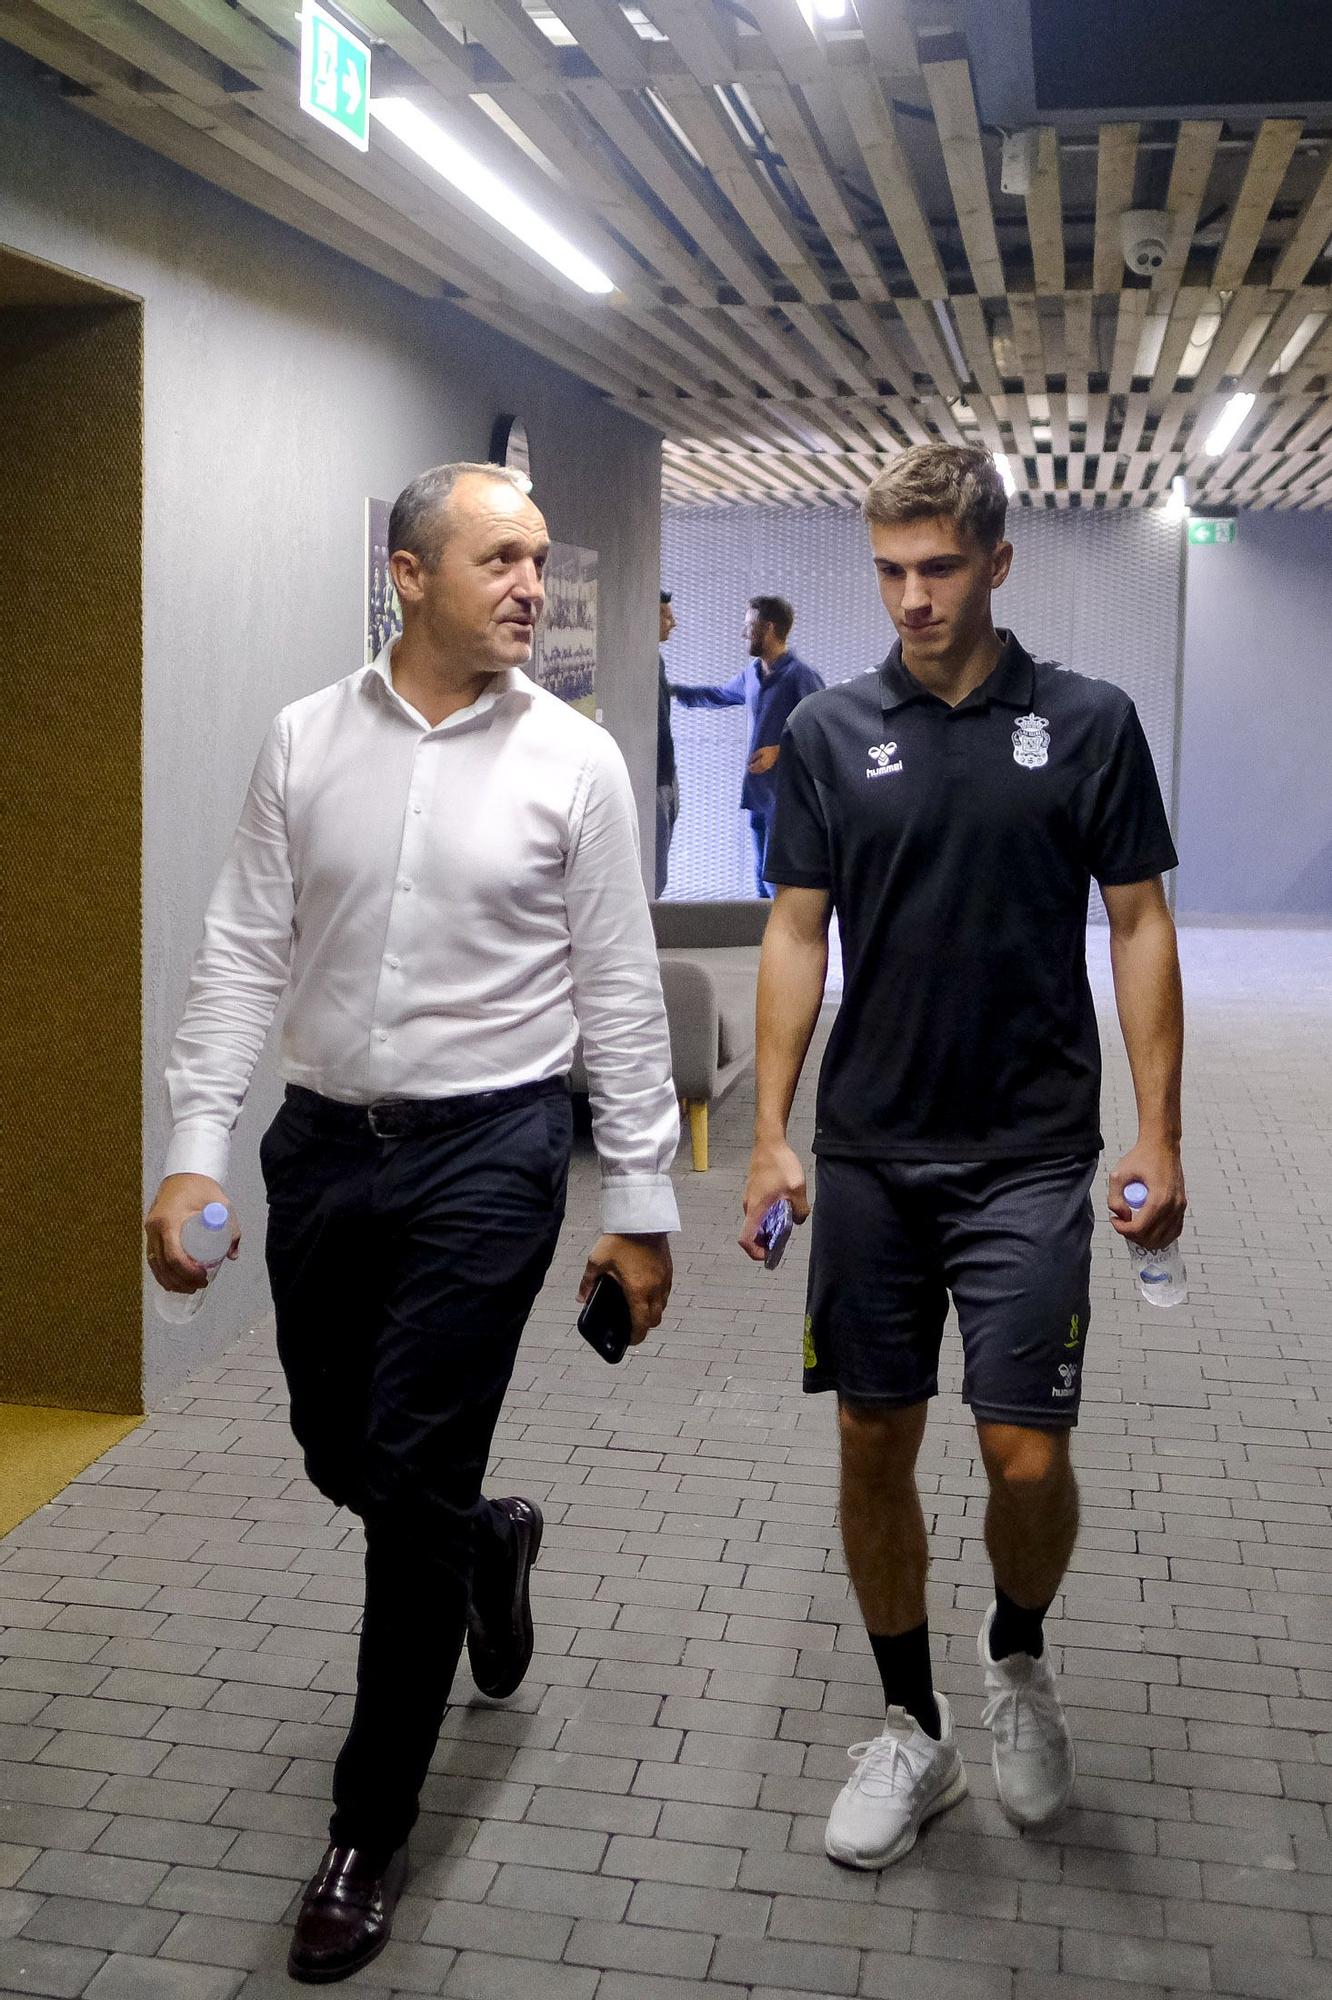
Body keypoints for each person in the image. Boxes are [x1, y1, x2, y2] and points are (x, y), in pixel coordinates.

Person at [143, 462, 679, 1984]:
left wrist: (639, 1208)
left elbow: (622, 996)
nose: (530, 584)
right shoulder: (305, 741)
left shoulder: (576, 759)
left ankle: (367, 1834)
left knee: (414, 1466)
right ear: (409, 575)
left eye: (536, 559)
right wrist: (193, 1153)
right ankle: (487, 1547)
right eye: (499, 558)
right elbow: (245, 947)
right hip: (323, 1149)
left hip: (494, 1152)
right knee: (348, 1454)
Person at [740, 443, 1185, 1869]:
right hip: (872, 1148)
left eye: (938, 568)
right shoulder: (829, 732)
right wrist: (767, 1133)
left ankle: (1017, 1659)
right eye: (889, 572)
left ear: (998, 563)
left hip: (1031, 1149)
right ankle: (911, 1725)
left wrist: (1159, 1129)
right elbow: (798, 930)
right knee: (874, 1435)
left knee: (1028, 1462)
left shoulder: (1091, 723)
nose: (912, 598)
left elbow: (1137, 922)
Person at [670, 595, 823, 896]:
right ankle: (760, 940)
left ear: (768, 628)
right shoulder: (752, 673)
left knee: (780, 883)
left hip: (788, 801)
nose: (743, 634)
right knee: (761, 880)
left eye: (749, 627)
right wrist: (670, 690)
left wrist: (779, 751)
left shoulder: (801, 677)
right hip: (758, 797)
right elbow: (718, 695)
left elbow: (820, 730)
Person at [656, 588, 679, 897]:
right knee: (655, 870)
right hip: (656, 782)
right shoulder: (642, 661)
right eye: (668, 617)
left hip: (666, 776)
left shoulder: (656, 661)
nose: (673, 623)